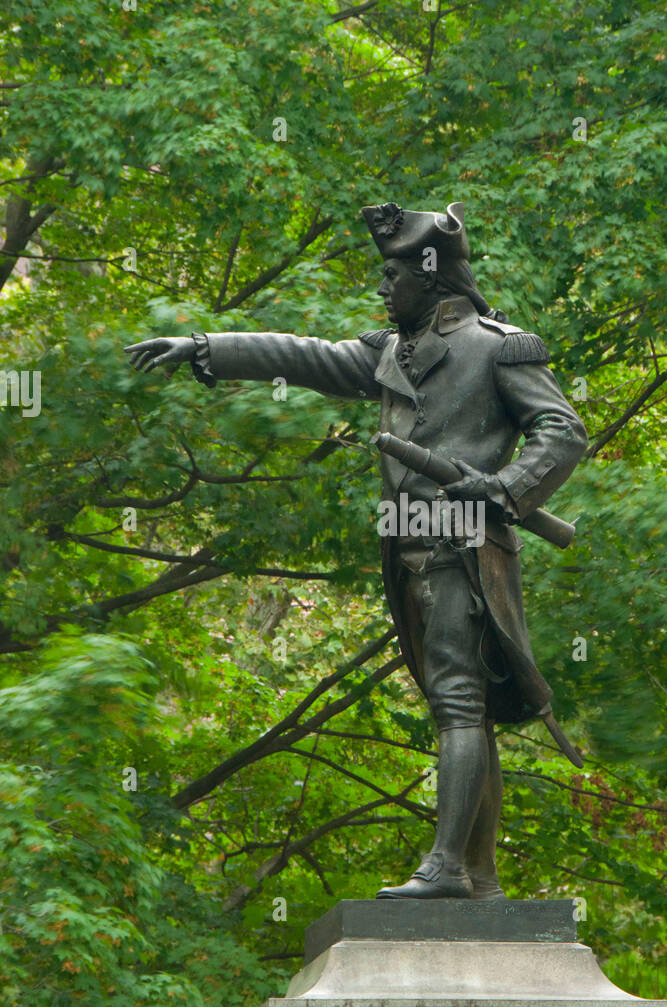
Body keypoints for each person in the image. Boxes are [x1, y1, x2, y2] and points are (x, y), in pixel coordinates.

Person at [126, 201, 588, 898]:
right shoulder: (389, 353)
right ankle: (479, 880)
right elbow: (304, 355)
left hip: (461, 546)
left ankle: (445, 871)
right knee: (460, 706)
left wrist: (503, 487)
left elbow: (561, 430)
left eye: (392, 273)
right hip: (407, 546)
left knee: (460, 703)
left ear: (430, 279)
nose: (381, 287)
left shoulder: (500, 346)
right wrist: (203, 348)